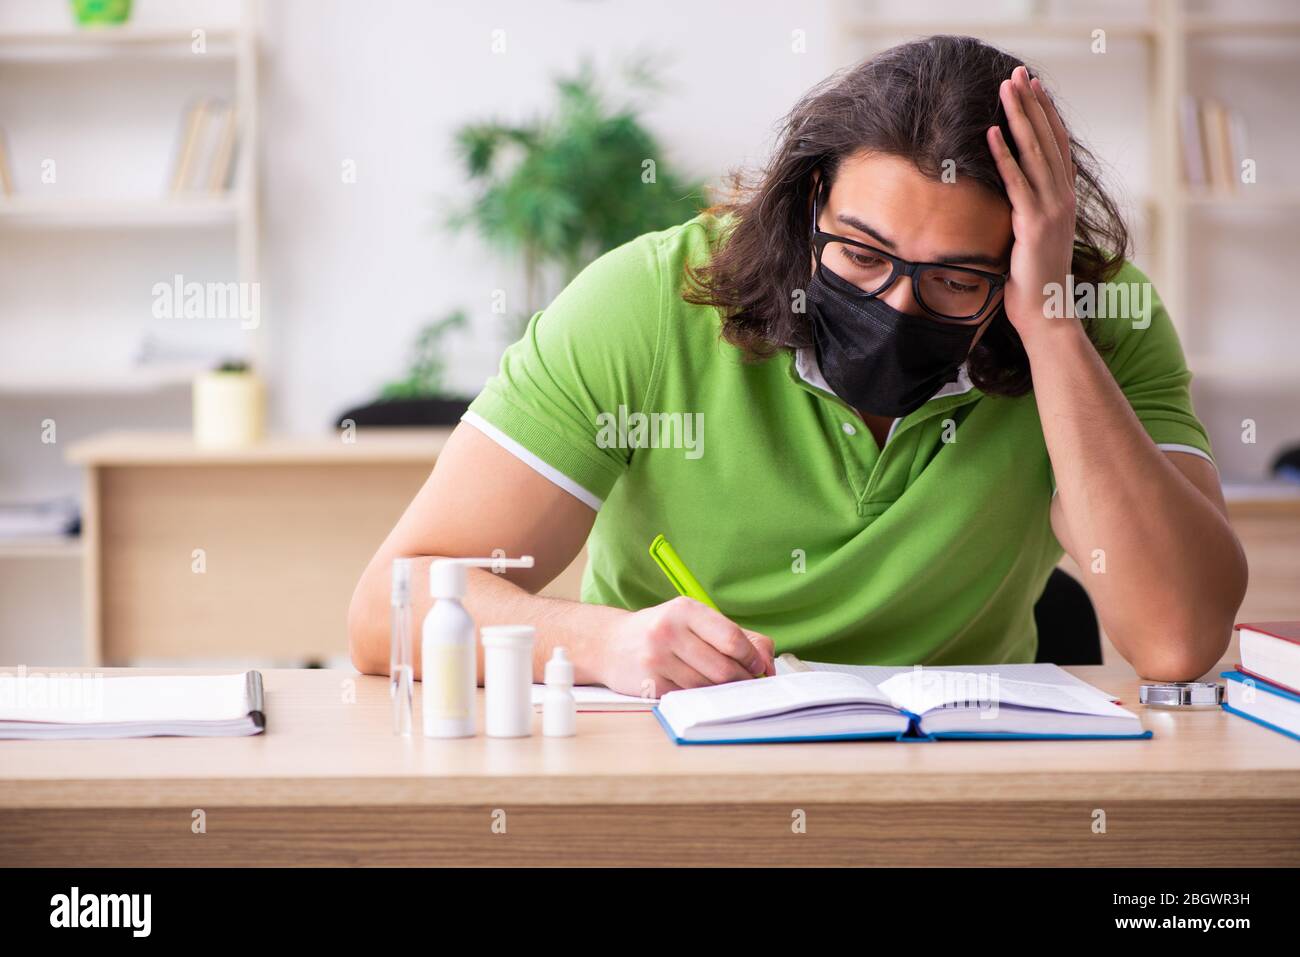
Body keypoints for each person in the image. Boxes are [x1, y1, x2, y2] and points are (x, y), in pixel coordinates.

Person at [349, 35, 1247, 697]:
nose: (896, 307)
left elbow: (1176, 639)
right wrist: (597, 641)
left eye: (956, 280)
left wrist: (1050, 330)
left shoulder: (1093, 317)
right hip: (670, 776)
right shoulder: (652, 301)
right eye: (861, 255)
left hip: (963, 794)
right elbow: (388, 606)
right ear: (810, 198)